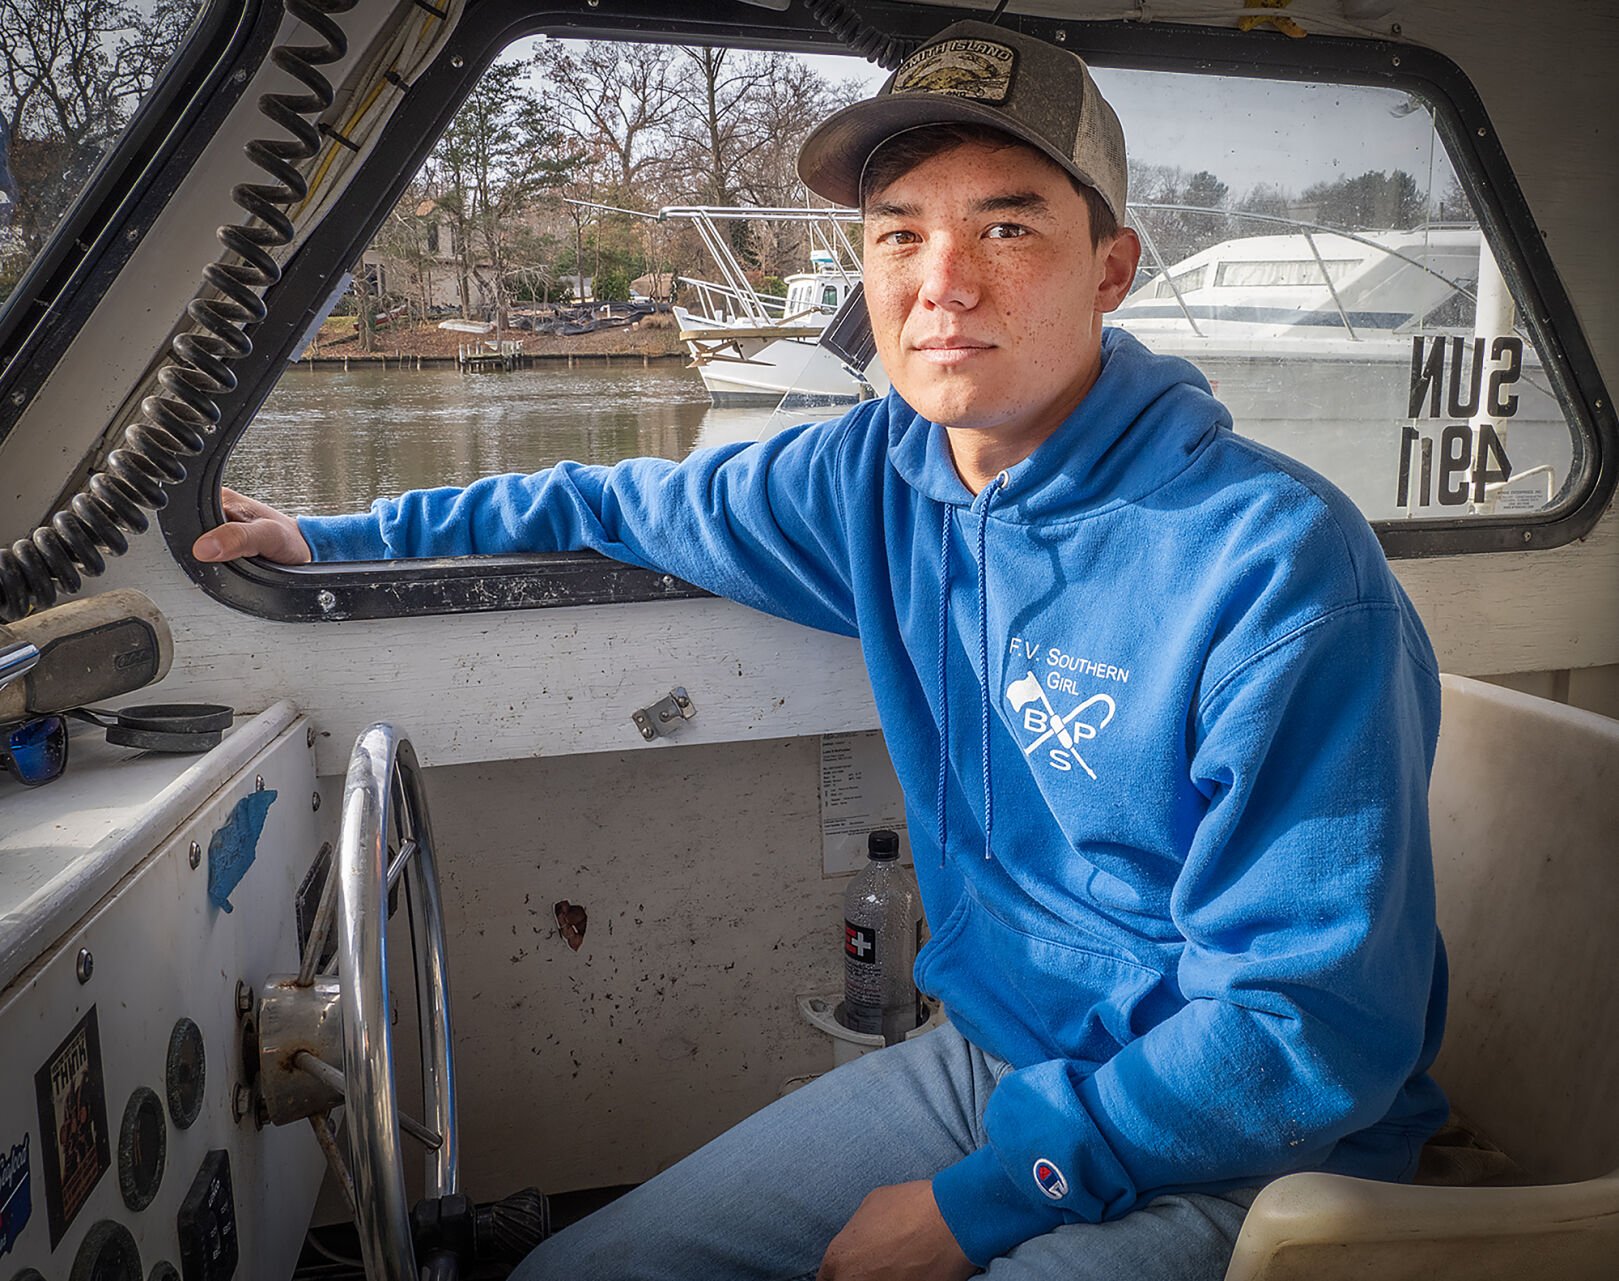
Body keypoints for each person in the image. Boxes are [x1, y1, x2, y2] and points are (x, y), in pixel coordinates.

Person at [195, 21, 1448, 1280]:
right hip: (994, 1059)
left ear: (1111, 268)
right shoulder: (874, 479)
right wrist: (338, 534)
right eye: (898, 233)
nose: (940, 282)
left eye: (1005, 229)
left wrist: (980, 1206)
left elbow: (1307, 1029)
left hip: (1236, 1142)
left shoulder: (1275, 569)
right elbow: (610, 501)